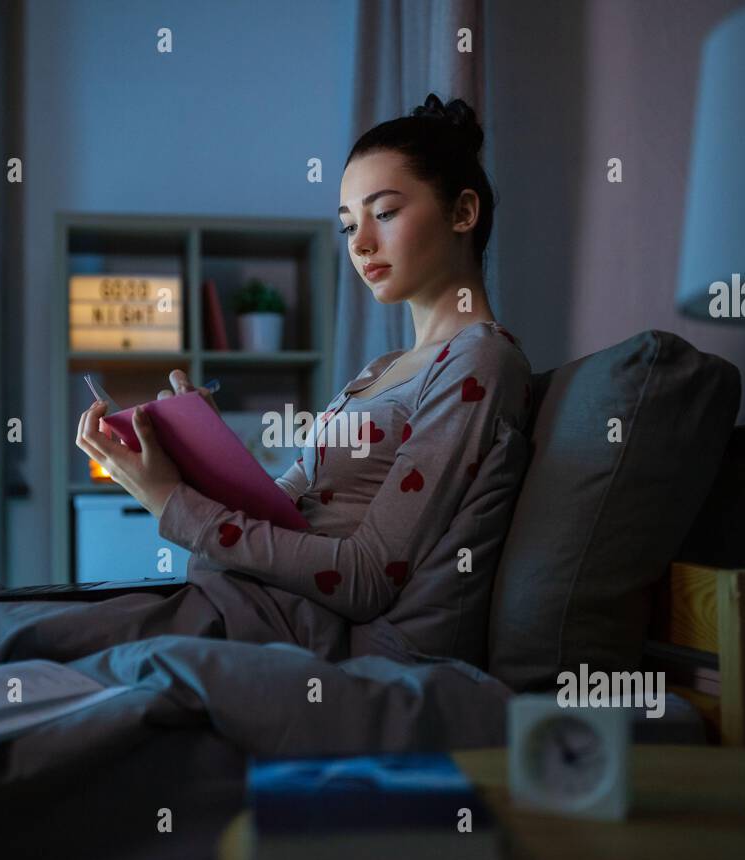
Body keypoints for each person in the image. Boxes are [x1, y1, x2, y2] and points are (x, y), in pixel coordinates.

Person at [74, 93, 535, 666]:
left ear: (463, 213)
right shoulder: (381, 370)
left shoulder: (478, 363)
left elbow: (368, 576)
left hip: (292, 628)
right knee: (2, 623)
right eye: (347, 227)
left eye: (384, 213)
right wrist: (202, 453)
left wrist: (168, 500)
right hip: (245, 604)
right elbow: (286, 512)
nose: (361, 243)